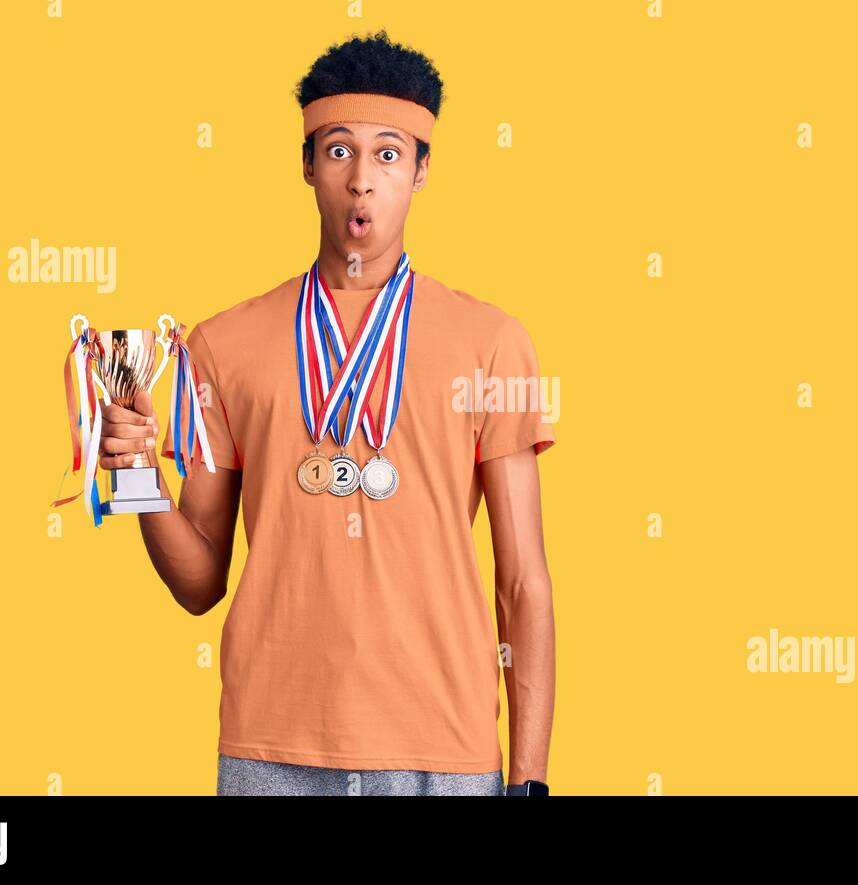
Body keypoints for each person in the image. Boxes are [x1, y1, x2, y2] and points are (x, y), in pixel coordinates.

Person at [96, 30, 556, 796]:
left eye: (388, 154)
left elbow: (523, 583)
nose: (363, 182)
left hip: (442, 749)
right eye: (339, 151)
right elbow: (200, 581)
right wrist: (138, 473)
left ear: (421, 170)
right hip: (269, 747)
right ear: (307, 165)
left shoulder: (492, 343)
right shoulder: (222, 344)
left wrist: (531, 781)